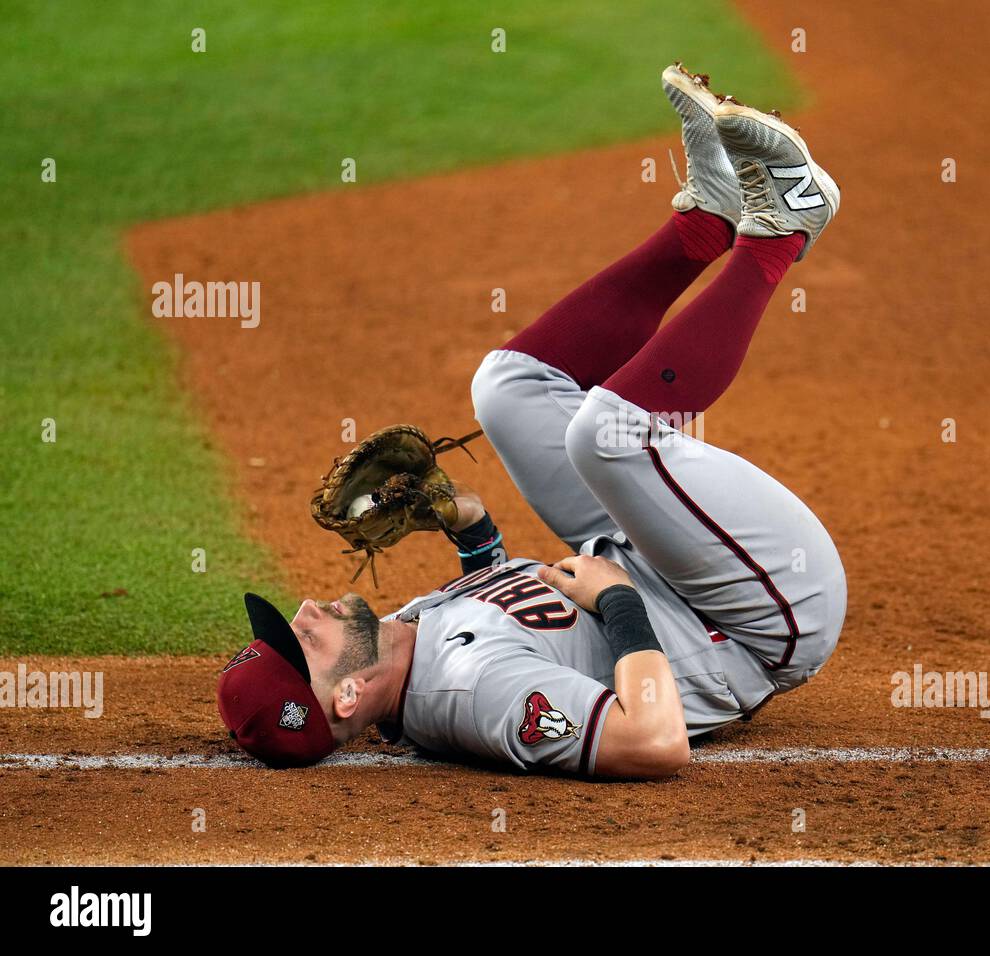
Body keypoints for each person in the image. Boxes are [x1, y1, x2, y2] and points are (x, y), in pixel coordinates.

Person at [217, 64, 846, 779]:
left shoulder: (404, 644)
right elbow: (652, 745)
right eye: (302, 644)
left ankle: (705, 225)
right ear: (346, 695)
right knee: (603, 436)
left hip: (661, 568)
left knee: (507, 389)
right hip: (759, 617)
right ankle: (782, 232)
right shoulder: (475, 700)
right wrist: (617, 599)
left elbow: (514, 624)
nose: (302, 610)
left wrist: (471, 528)